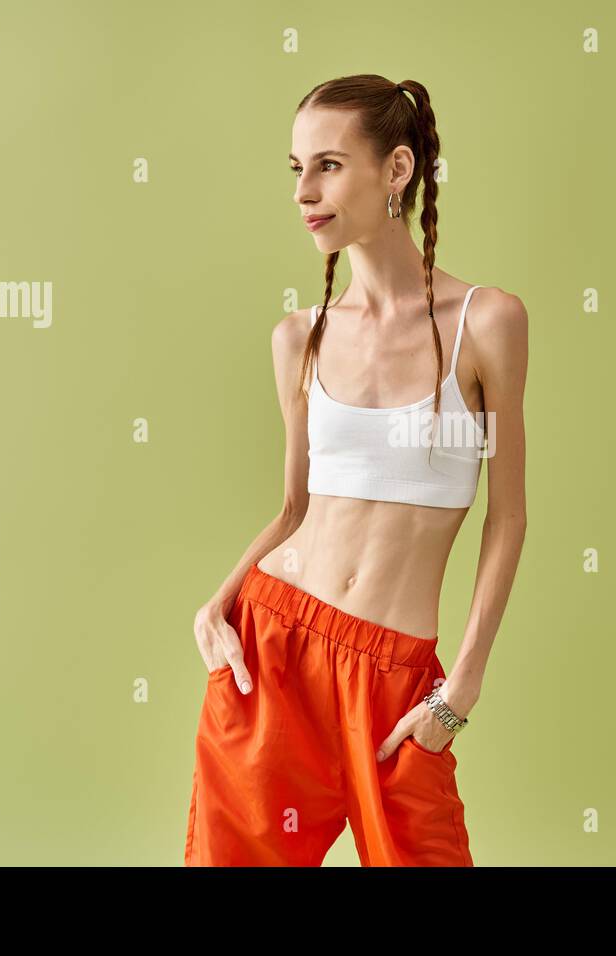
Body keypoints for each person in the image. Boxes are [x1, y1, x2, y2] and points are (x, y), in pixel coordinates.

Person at [184, 74, 528, 866]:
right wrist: (218, 603)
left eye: (329, 165)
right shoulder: (297, 337)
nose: (305, 190)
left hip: (393, 678)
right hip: (270, 651)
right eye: (296, 168)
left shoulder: (488, 323)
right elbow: (294, 508)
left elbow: (506, 517)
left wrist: (460, 691)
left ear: (398, 171)